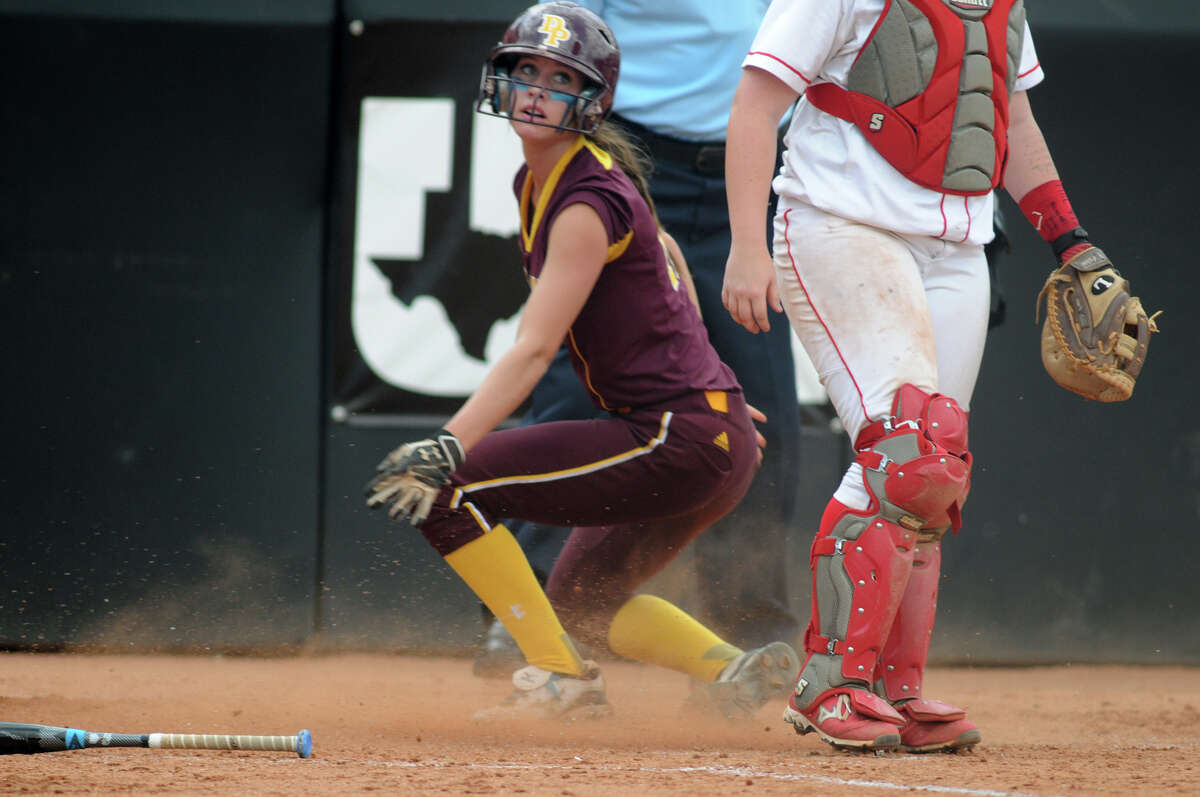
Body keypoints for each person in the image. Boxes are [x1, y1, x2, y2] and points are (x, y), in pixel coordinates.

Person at [366, 1, 798, 721]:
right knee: (580, 600)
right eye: (526, 72)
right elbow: (671, 254)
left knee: (448, 490)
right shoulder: (558, 178)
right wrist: (711, 386)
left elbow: (534, 349)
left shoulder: (581, 202)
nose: (536, 91)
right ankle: (729, 668)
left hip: (674, 437)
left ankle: (560, 679)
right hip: (701, 436)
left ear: (592, 101)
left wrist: (448, 444)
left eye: (561, 80)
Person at [722, 0, 1125, 752]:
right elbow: (755, 104)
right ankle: (829, 683)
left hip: (959, 246)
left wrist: (1070, 239)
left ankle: (892, 691)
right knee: (905, 451)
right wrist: (746, 244)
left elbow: (1008, 117)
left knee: (938, 470)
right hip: (841, 222)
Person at [474, 0, 806, 678]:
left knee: (760, 410)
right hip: (637, 149)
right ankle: (532, 622)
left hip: (755, 166)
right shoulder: (589, 185)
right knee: (578, 383)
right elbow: (567, 28)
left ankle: (748, 642)